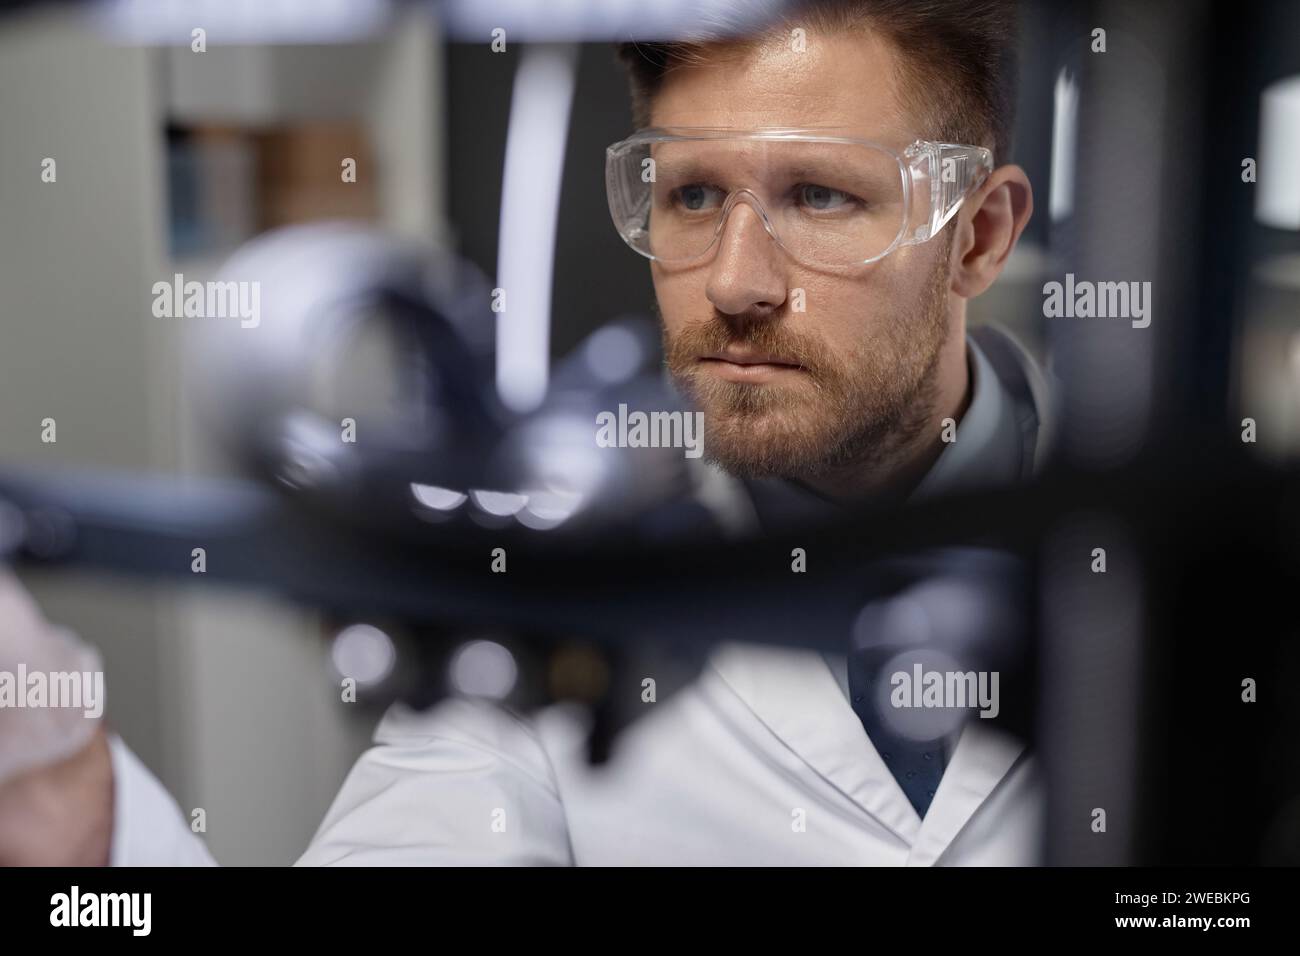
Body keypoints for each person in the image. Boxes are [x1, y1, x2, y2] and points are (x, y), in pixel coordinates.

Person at [0, 0, 1049, 865]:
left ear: (979, 237)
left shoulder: (1168, 555)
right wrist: (83, 824)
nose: (732, 281)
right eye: (689, 194)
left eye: (819, 194)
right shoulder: (546, 561)